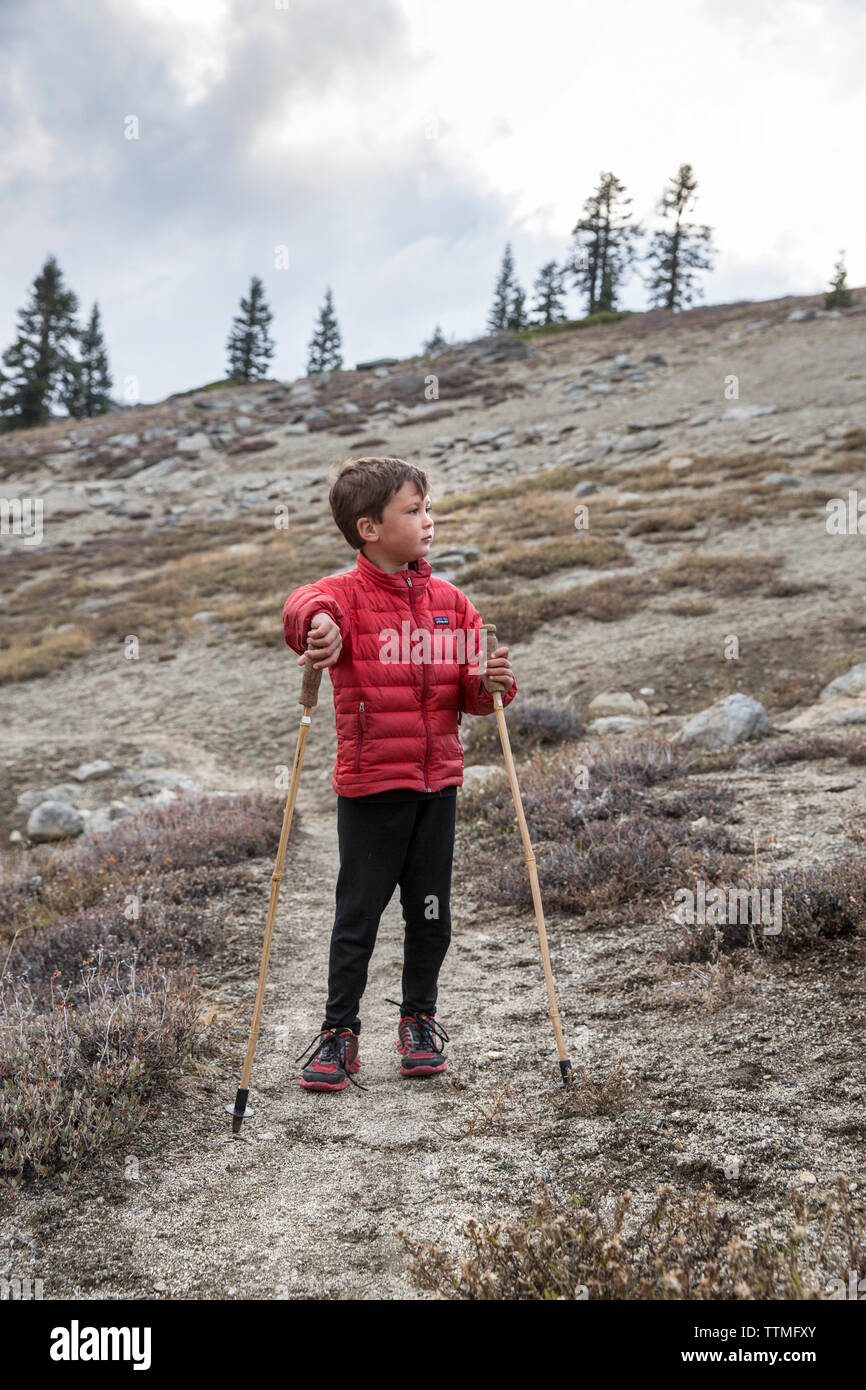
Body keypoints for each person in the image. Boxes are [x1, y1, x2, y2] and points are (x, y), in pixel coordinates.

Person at [282, 455, 517, 1092]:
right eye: (412, 512)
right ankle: (339, 1033)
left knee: (430, 911)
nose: (427, 521)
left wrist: (491, 683)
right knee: (358, 915)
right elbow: (301, 605)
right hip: (371, 786)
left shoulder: (451, 604)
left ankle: (418, 1021)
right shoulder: (345, 600)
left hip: (437, 783)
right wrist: (319, 625)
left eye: (427, 508)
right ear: (368, 529)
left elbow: (469, 697)